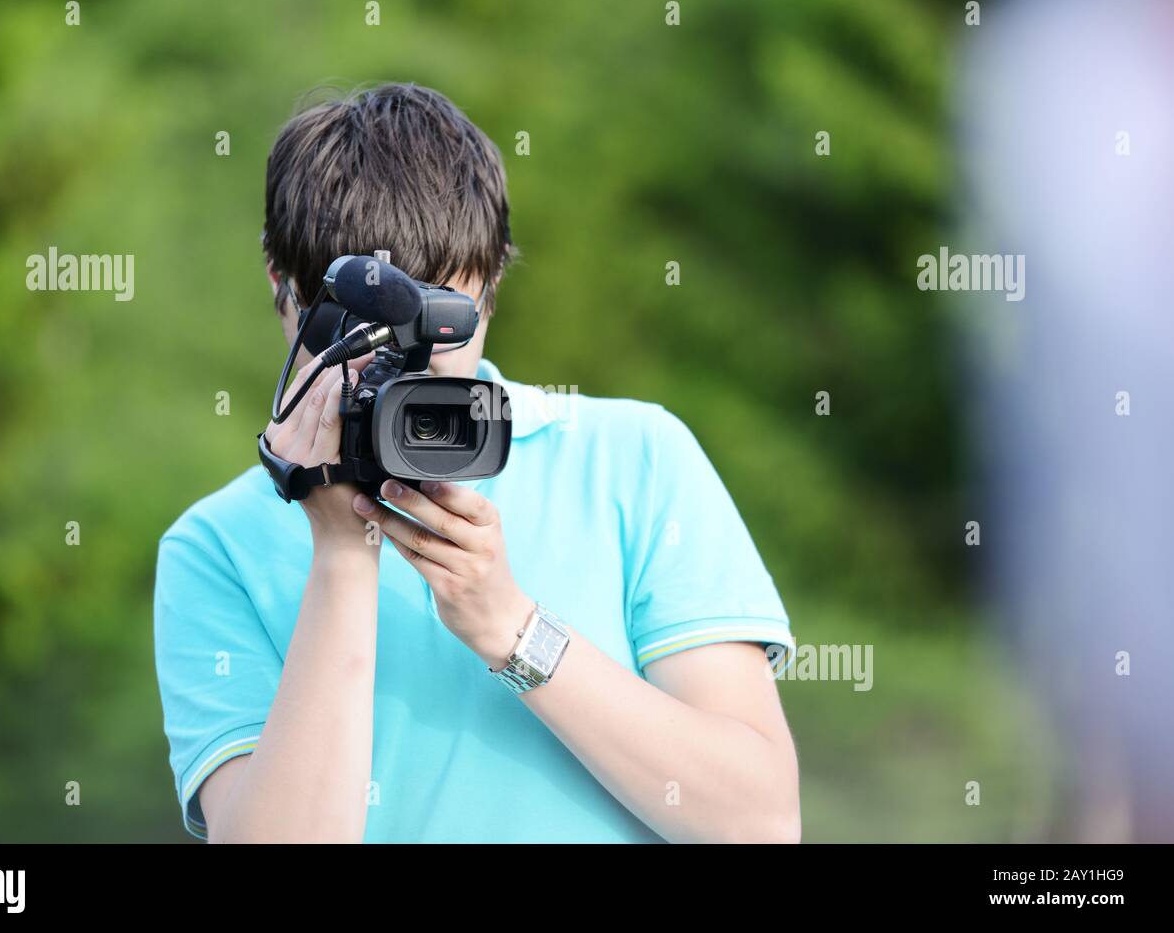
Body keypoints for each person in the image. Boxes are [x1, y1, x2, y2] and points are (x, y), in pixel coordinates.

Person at [154, 82, 800, 843]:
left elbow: (760, 823)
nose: (405, 363)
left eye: (439, 326)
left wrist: (514, 629)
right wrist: (340, 551)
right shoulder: (215, 548)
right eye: (363, 332)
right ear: (283, 287)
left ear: (492, 289)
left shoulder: (634, 461)